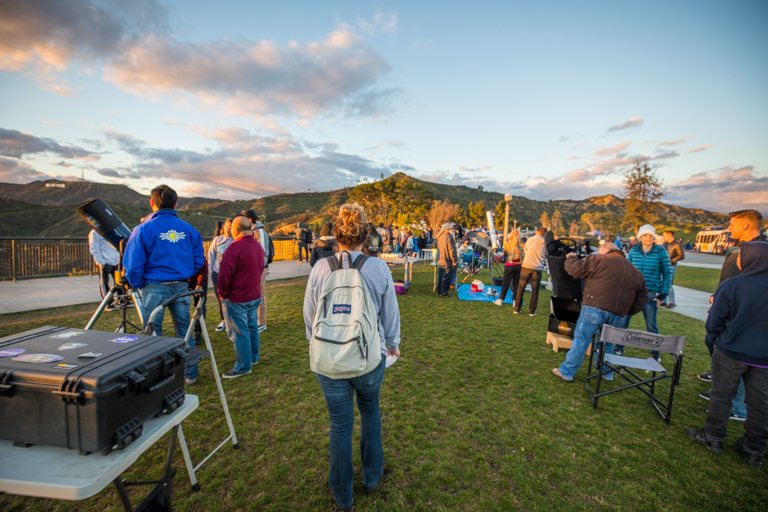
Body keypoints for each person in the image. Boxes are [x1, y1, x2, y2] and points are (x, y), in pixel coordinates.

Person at [303, 203, 401, 510]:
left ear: (336, 234)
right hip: (369, 357)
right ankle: (372, 476)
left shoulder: (321, 268)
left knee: (340, 424)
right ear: (366, 235)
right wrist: (393, 344)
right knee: (370, 411)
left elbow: (310, 316)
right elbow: (390, 314)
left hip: (330, 361)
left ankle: (342, 493)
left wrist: (319, 345)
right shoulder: (378, 268)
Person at [686, 242, 768, 468]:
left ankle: (713, 436)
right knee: (760, 404)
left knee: (722, 395)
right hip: (763, 359)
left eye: (740, 255)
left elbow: (715, 319)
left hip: (731, 351)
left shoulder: (734, 285)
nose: (737, 259)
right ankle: (754, 449)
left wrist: (715, 339)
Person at [123, 185, 205, 385]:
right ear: (175, 204)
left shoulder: (142, 229)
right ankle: (190, 373)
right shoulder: (189, 230)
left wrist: (138, 284)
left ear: (152, 203)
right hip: (181, 287)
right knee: (184, 331)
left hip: (153, 287)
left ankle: (158, 376)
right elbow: (198, 260)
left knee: (152, 333)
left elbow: (133, 263)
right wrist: (185, 273)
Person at [698, 210, 766, 418]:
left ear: (745, 225)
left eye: (732, 224)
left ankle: (736, 406)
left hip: (744, 314)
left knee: (741, 358)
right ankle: (724, 388)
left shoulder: (759, 250)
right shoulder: (740, 246)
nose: (728, 228)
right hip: (727, 303)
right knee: (718, 348)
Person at [551, 243, 648, 381]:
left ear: (606, 250)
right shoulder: (635, 272)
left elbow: (574, 270)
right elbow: (642, 297)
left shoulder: (599, 259)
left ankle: (567, 371)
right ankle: (606, 372)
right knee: (607, 342)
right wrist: (626, 311)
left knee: (581, 339)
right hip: (617, 313)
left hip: (594, 306)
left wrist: (571, 256)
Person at [217, 216, 265, 378]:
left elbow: (224, 275)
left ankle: (243, 366)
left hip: (237, 297)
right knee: (252, 327)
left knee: (239, 332)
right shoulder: (258, 247)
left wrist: (222, 293)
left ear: (236, 230)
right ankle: (253, 357)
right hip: (254, 295)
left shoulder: (233, 248)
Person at [623, 224, 671, 359]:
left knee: (651, 325)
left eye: (650, 235)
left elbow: (667, 274)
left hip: (650, 294)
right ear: (640, 237)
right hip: (632, 293)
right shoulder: (633, 252)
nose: (648, 238)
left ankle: (655, 354)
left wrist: (663, 294)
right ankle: (619, 348)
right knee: (622, 323)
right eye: (645, 235)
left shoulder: (661, 252)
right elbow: (626, 271)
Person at [242, 210, 270, 333]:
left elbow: (262, 252)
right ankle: (254, 320)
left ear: (249, 220)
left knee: (260, 294)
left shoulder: (260, 231)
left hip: (260, 268)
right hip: (252, 268)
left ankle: (261, 322)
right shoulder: (252, 231)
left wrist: (258, 268)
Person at [209, 218, 234, 332]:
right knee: (220, 299)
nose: (228, 229)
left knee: (231, 299)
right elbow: (211, 255)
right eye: (227, 226)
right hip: (217, 273)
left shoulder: (235, 241)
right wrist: (211, 272)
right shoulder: (218, 239)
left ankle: (232, 321)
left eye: (231, 227)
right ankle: (224, 320)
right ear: (224, 227)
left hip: (230, 276)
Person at [515, 227, 548, 316]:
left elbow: (525, 250)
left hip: (526, 265)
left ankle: (517, 308)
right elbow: (546, 253)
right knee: (535, 290)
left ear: (537, 232)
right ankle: (532, 310)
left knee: (521, 288)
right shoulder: (546, 242)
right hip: (538, 267)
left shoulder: (530, 239)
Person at [88, 229, 120, 301]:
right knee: (105, 284)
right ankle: (108, 302)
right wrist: (101, 262)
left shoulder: (112, 230)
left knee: (120, 282)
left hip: (116, 261)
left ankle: (121, 300)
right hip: (105, 263)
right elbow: (94, 249)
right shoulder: (94, 233)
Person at [495, 229, 524, 307]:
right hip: (519, 265)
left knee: (505, 283)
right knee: (516, 284)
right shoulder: (522, 243)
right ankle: (515, 301)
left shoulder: (507, 244)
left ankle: (500, 300)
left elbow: (505, 255)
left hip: (510, 265)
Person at [186, 255, 208, 345]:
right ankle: (184, 332)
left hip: (197, 279)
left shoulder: (194, 249)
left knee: (199, 306)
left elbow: (203, 265)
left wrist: (200, 283)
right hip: (183, 280)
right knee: (182, 307)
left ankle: (198, 332)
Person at [662, 230, 685, 308]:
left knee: (668, 283)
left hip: (671, 265)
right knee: (663, 282)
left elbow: (681, 255)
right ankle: (663, 300)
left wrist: (672, 260)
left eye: (664, 235)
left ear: (669, 235)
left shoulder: (677, 244)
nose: (663, 237)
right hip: (664, 265)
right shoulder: (665, 244)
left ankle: (672, 301)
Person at [435, 222, 458, 298]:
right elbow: (452, 250)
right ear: (449, 229)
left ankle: (439, 290)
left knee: (441, 277)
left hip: (440, 259)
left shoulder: (439, 236)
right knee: (446, 277)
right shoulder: (449, 237)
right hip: (446, 260)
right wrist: (454, 260)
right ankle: (444, 292)